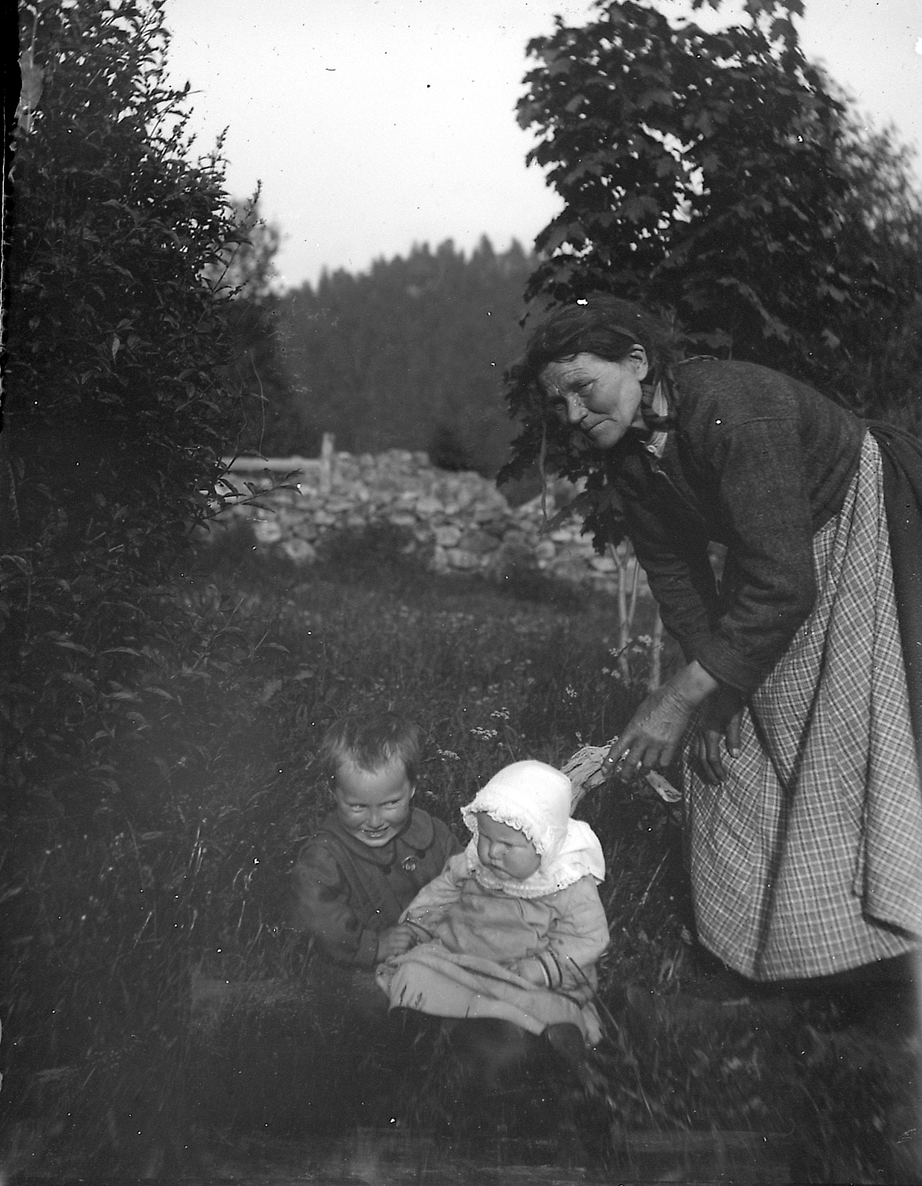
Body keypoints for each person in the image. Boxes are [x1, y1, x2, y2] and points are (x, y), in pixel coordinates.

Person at [511, 295, 922, 985]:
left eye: (583, 389)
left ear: (636, 362)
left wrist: (677, 701)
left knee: (845, 736)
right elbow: (678, 581)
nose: (574, 417)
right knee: (730, 745)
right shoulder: (629, 453)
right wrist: (711, 698)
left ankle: (884, 961)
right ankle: (770, 953)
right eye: (560, 406)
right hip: (784, 560)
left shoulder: (735, 410)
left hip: (859, 525)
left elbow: (783, 585)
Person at [376, 760, 610, 1055]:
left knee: (545, 1008)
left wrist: (543, 969)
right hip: (456, 958)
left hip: (521, 979)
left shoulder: (566, 883)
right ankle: (434, 1025)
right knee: (413, 972)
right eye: (485, 837)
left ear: (543, 844)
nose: (492, 852)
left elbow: (588, 939)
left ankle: (531, 1039)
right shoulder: (474, 863)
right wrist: (416, 925)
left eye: (507, 845)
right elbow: (441, 893)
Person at [289, 711, 462, 1018]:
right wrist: (373, 946)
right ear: (334, 794)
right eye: (357, 806)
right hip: (355, 967)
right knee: (374, 1002)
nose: (374, 821)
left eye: (390, 804)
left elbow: (463, 880)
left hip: (429, 952)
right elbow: (322, 921)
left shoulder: (432, 834)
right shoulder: (325, 855)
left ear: (411, 789)